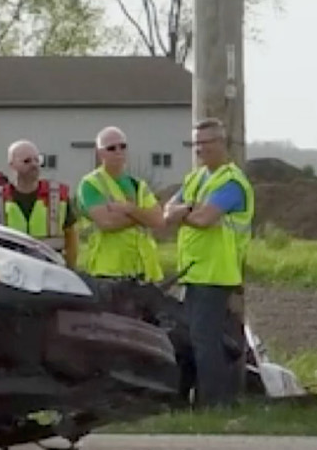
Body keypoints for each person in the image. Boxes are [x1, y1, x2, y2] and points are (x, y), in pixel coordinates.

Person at [164, 117, 255, 408]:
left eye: (205, 143)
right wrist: (187, 209)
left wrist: (185, 211)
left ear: (221, 144)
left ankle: (213, 404)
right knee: (189, 338)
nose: (200, 149)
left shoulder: (230, 182)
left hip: (215, 272)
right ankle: (191, 399)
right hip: (194, 272)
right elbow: (167, 211)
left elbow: (205, 219)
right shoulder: (196, 178)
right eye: (196, 144)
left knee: (206, 341)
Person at [75, 127, 164, 283]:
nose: (118, 151)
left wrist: (129, 209)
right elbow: (107, 223)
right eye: (111, 148)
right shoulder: (90, 184)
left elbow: (158, 220)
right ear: (100, 153)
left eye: (123, 146)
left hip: (143, 270)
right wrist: (142, 216)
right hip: (108, 272)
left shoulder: (137, 184)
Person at [0, 140, 73, 258]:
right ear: (12, 165)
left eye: (37, 160)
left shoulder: (57, 196)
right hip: (12, 269)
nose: (34, 165)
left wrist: (70, 270)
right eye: (27, 161)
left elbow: (72, 237)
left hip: (51, 269)